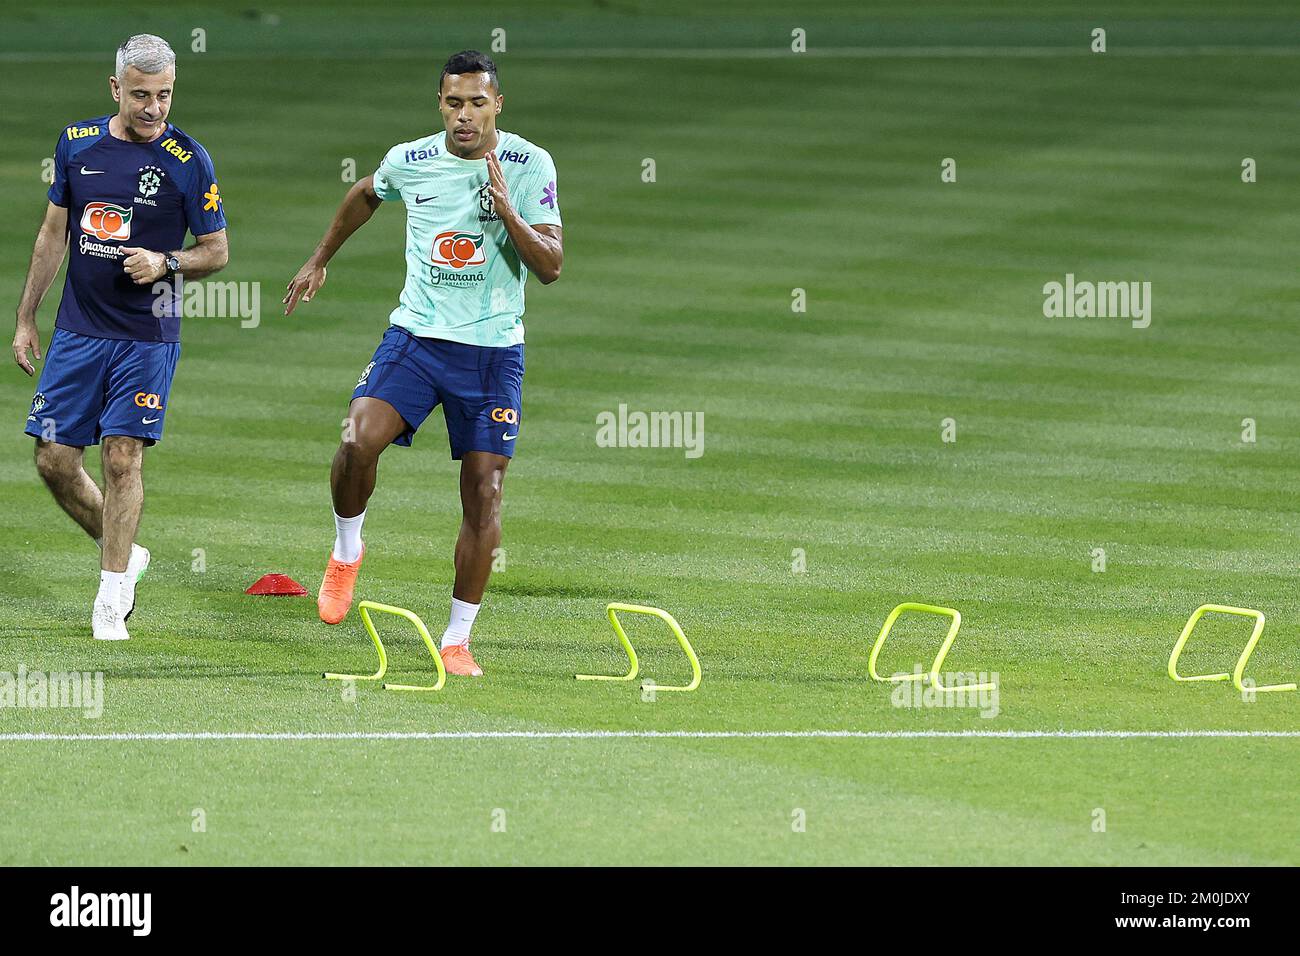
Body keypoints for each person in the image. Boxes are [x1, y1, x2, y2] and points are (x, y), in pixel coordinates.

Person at [283, 50, 563, 677]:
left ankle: (457, 639)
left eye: (477, 103)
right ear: (440, 104)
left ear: (498, 104)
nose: (465, 116)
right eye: (453, 103)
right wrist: (320, 257)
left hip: (492, 354)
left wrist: (506, 211)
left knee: (484, 493)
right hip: (417, 339)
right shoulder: (410, 160)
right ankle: (346, 553)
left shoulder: (527, 164)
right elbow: (364, 194)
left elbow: (550, 267)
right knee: (357, 441)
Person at [12, 34, 229, 641]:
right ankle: (126, 552)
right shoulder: (78, 145)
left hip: (147, 333)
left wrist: (167, 263)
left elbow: (217, 251)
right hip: (79, 331)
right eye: (140, 95)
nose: (154, 108)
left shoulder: (190, 162)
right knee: (54, 459)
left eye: (163, 95)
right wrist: (28, 314)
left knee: (122, 456)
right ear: (116, 89)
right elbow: (53, 234)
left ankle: (110, 597)